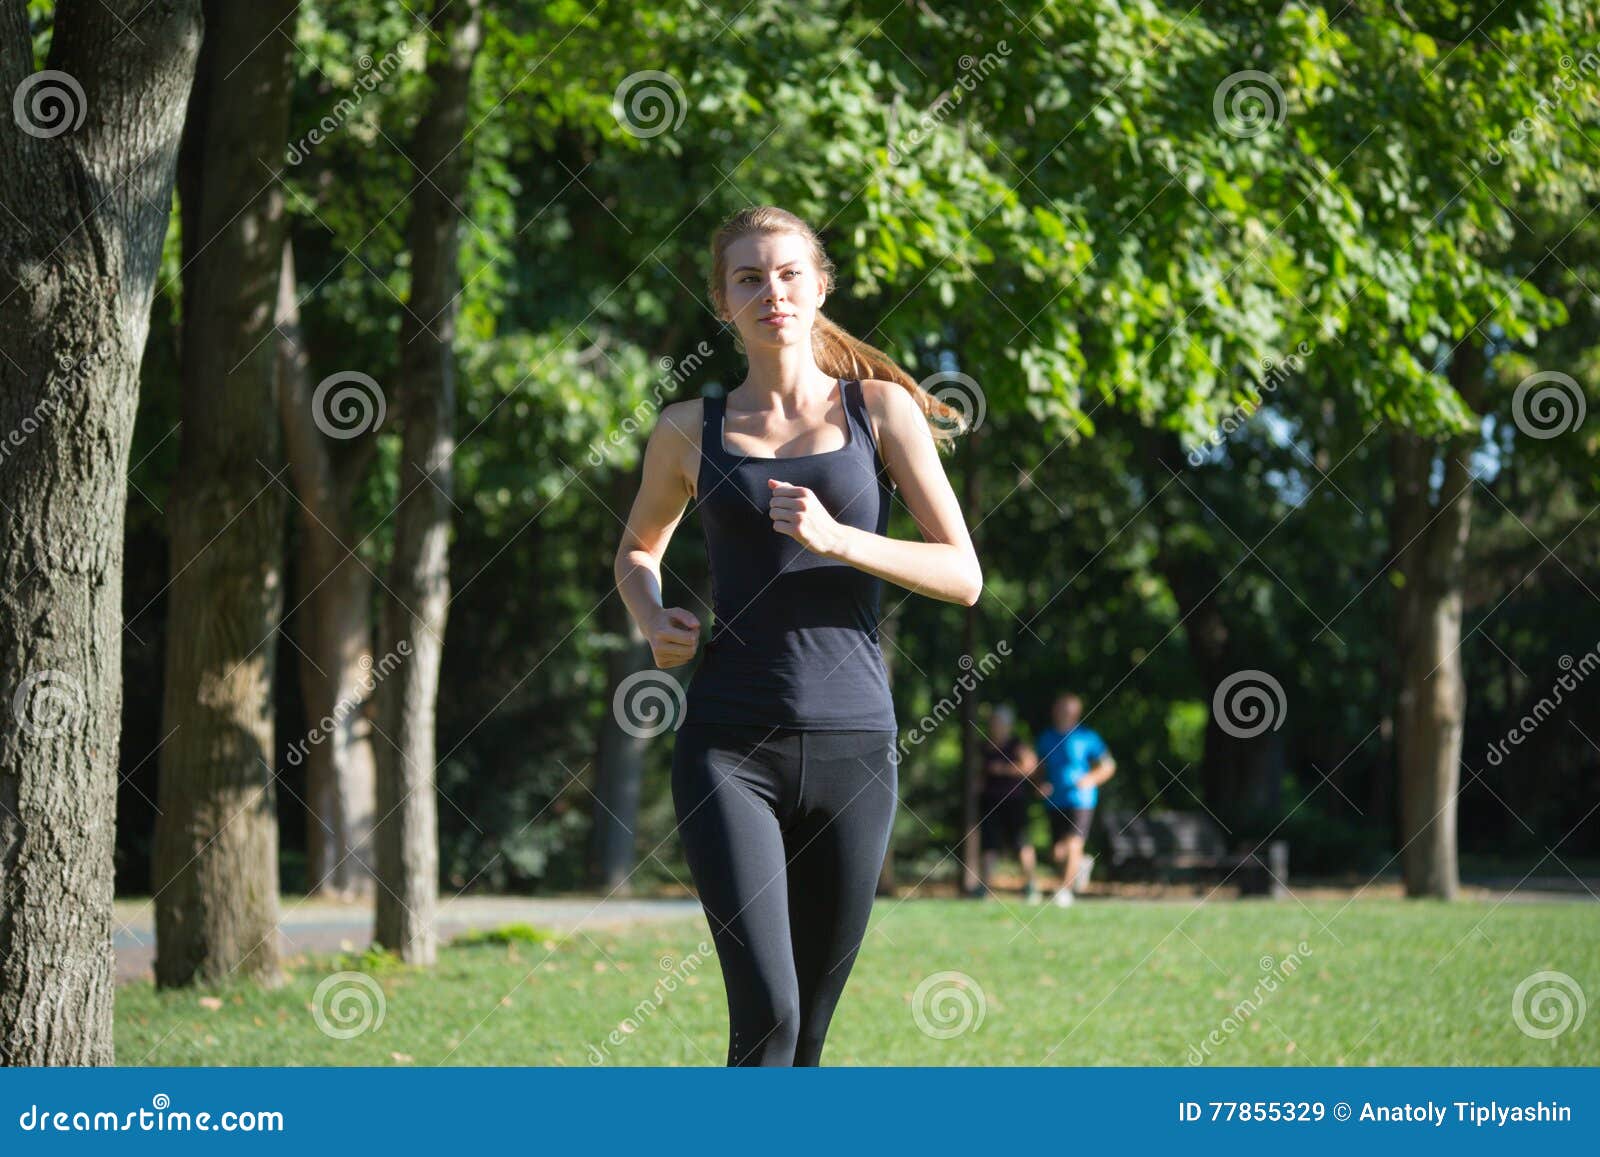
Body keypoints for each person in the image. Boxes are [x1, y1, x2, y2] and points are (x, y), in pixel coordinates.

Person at [613, 205, 982, 1065]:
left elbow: (963, 575)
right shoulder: (686, 430)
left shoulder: (880, 412)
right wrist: (650, 611)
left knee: (810, 1033)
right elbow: (636, 548)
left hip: (856, 746)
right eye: (749, 277)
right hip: (728, 747)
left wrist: (840, 538)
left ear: (818, 288)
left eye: (787, 274)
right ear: (722, 303)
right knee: (768, 1017)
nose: (770, 291)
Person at [1035, 692, 1116, 908]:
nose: (1063, 714)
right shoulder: (1046, 738)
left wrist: (1090, 778)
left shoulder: (1087, 738)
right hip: (1055, 800)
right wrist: (1041, 784)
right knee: (1058, 852)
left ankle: (1065, 890)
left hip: (1081, 800)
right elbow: (1040, 769)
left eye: (1067, 710)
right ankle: (1080, 864)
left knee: (1074, 843)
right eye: (1060, 709)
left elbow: (1108, 766)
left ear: (1076, 713)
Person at [977, 704, 1043, 902]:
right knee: (989, 845)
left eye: (998, 723)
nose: (994, 726)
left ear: (1007, 725)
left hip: (1014, 802)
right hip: (990, 801)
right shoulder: (985, 746)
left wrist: (1004, 770)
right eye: (992, 723)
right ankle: (984, 889)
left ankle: (1031, 886)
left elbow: (1031, 767)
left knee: (1021, 843)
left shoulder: (1016, 745)